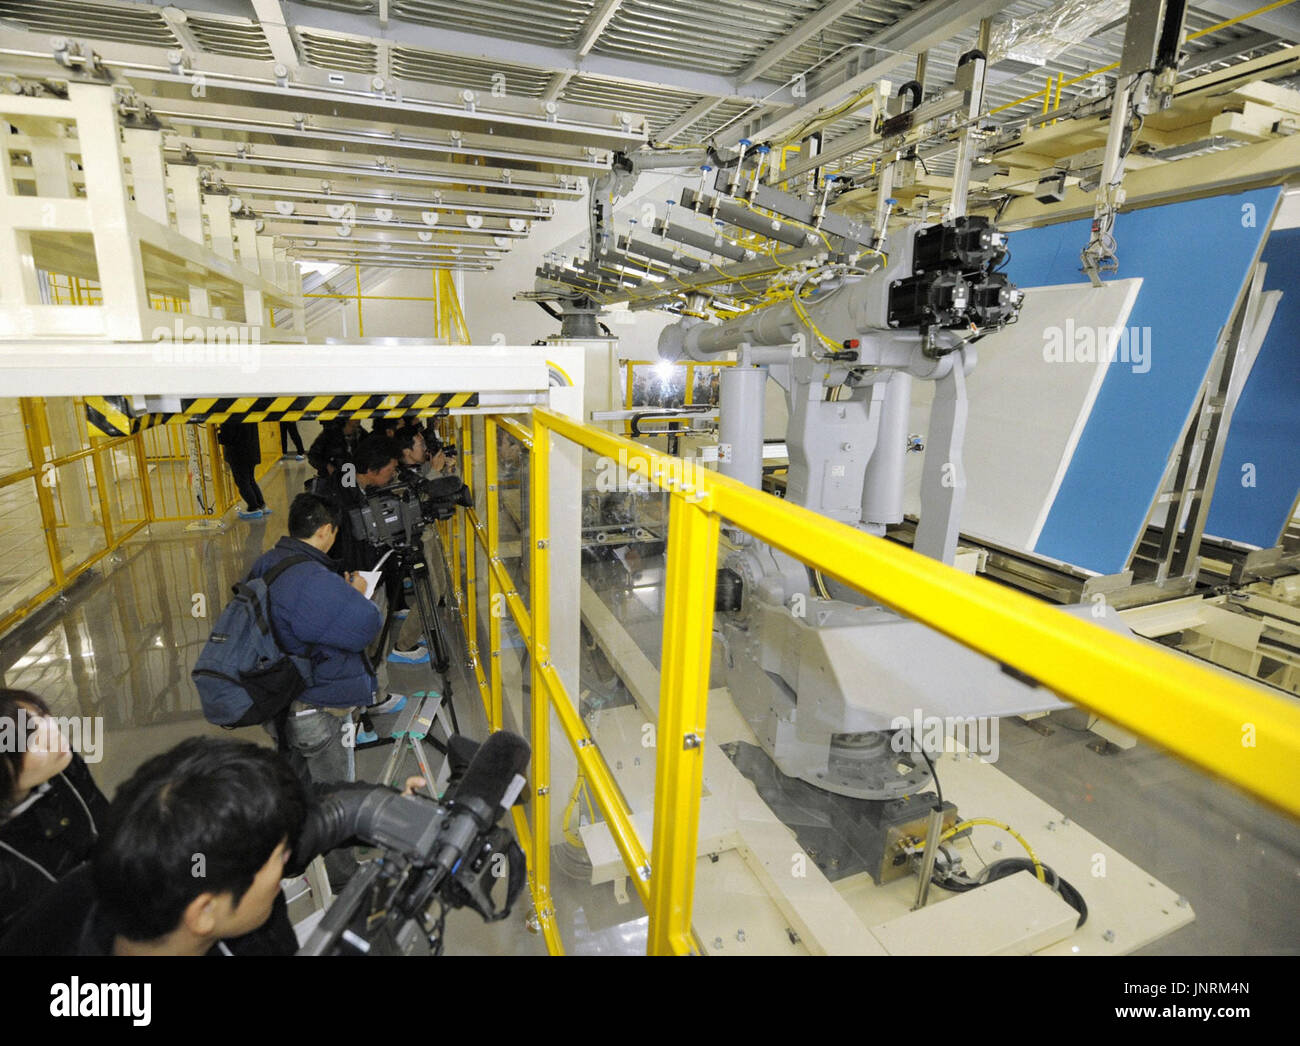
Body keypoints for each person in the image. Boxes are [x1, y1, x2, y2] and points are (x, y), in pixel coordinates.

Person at [246, 492, 398, 886]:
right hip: (316, 708)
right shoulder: (312, 580)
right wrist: (355, 593)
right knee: (335, 797)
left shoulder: (269, 563)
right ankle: (342, 878)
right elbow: (363, 627)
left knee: (299, 786)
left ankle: (298, 856)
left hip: (279, 701)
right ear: (327, 530)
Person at [0, 690, 108, 939]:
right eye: (29, 739)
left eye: (40, 716)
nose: (51, 732)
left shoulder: (62, 767)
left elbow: (104, 824)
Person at [218, 419, 268, 520]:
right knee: (250, 480)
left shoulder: (229, 415)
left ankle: (253, 508)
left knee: (242, 482)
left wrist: (217, 435)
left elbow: (227, 437)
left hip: (238, 454)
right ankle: (261, 505)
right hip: (252, 451)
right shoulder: (247, 410)